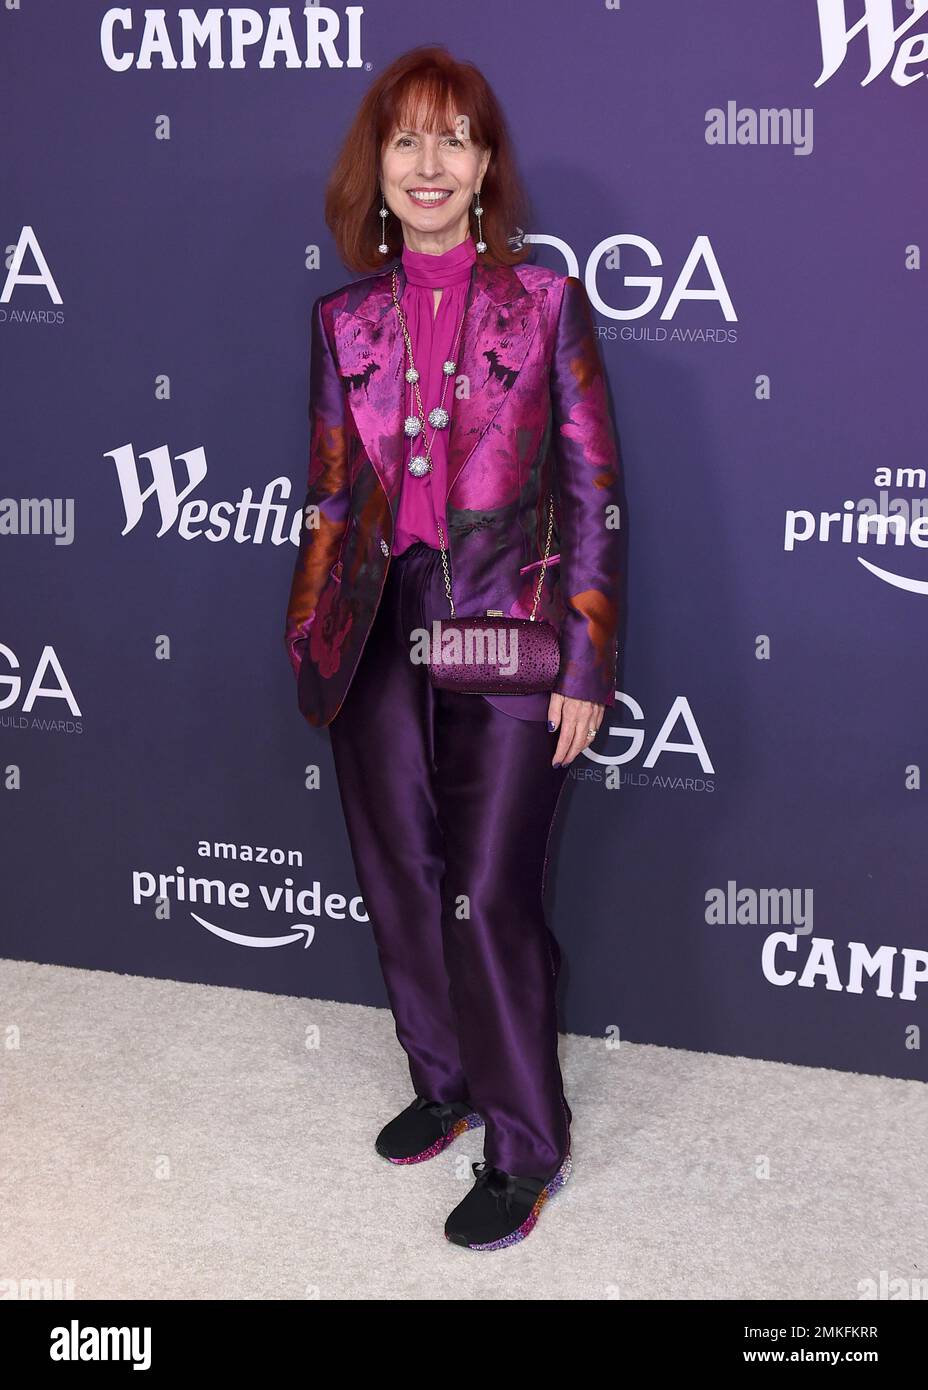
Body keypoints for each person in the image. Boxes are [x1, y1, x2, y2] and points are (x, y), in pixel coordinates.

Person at [284, 45, 623, 1251]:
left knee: (488, 892)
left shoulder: (543, 303)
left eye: (454, 140)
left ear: (486, 169)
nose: (429, 164)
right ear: (376, 168)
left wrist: (585, 659)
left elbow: (590, 489)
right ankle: (445, 1079)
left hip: (509, 624)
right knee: (397, 874)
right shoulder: (342, 321)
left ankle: (525, 1144)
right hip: (379, 622)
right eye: (406, 140)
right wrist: (315, 630)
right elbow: (332, 495)